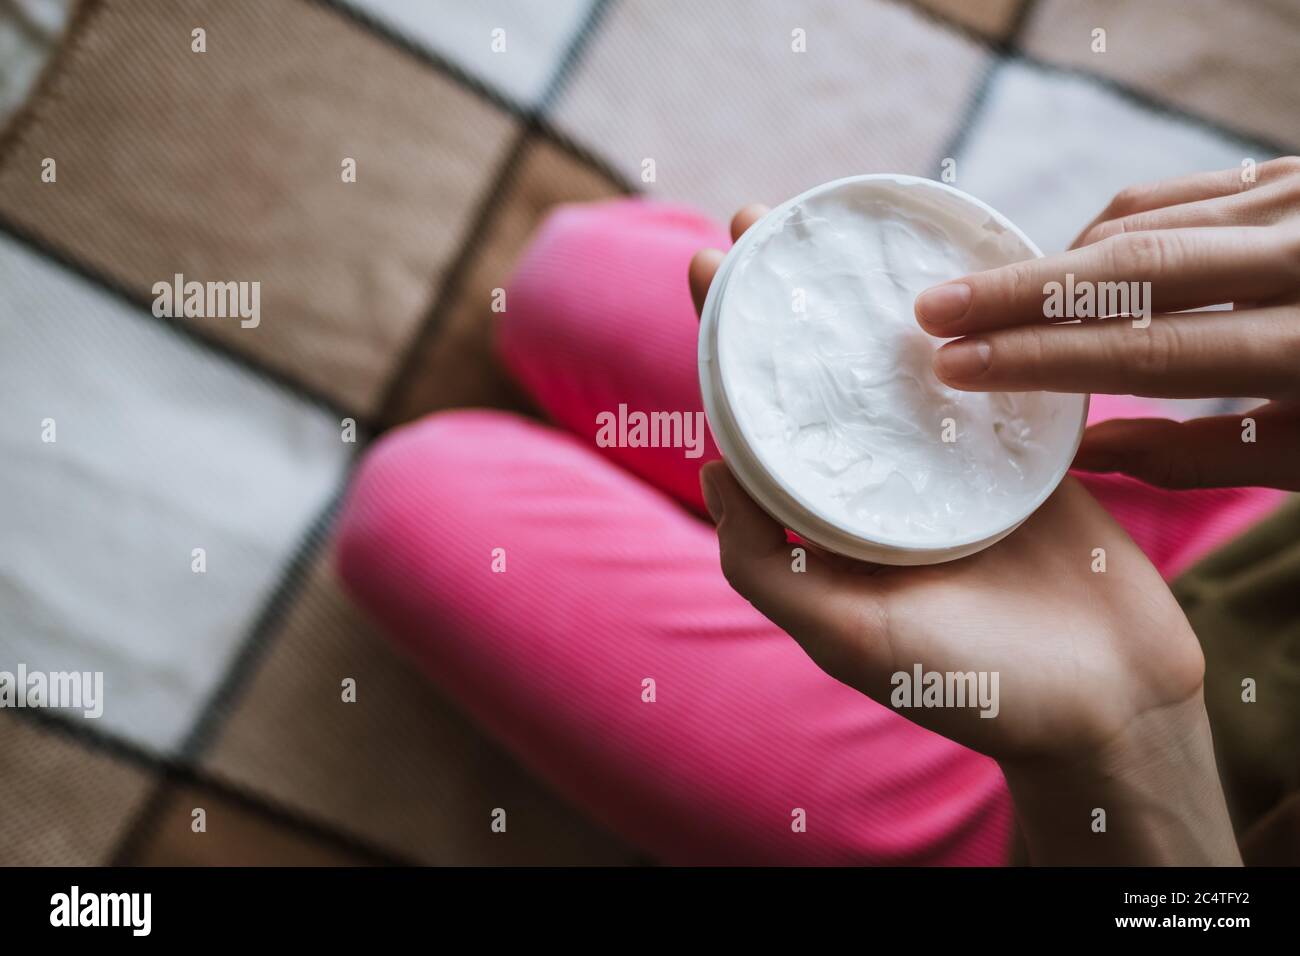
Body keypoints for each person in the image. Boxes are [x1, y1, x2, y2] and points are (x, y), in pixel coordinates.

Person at [335, 160, 1298, 865]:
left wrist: (1127, 741)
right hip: (1225, 524)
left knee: (415, 503)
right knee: (565, 275)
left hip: (1076, 783)